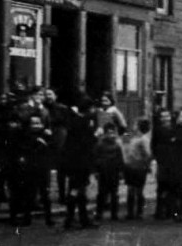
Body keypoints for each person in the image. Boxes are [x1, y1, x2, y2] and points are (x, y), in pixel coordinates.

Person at [61, 96, 98, 229]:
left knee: (78, 190)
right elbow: (86, 144)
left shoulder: (75, 121)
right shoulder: (84, 122)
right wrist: (95, 136)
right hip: (80, 163)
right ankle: (71, 219)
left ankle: (80, 218)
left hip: (73, 162)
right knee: (76, 190)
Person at [14, 112, 53, 226]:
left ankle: (48, 218)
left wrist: (47, 139)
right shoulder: (25, 136)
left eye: (38, 123)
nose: (36, 125)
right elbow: (23, 150)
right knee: (29, 194)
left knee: (45, 194)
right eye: (33, 123)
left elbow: (52, 149)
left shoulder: (46, 135)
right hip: (30, 168)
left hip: (43, 168)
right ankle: (27, 218)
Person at [43, 88, 70, 203]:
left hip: (59, 140)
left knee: (61, 169)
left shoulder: (62, 108)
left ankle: (62, 195)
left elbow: (67, 124)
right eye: (46, 94)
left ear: (55, 96)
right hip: (45, 140)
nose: (48, 96)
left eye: (50, 94)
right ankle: (44, 196)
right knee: (44, 169)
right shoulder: (42, 108)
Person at [123, 118, 152, 220]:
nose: (134, 126)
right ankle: (131, 212)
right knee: (131, 190)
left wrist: (144, 163)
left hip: (138, 167)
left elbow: (148, 154)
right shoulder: (134, 138)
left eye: (136, 124)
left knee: (138, 190)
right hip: (131, 167)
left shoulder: (143, 139)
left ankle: (138, 212)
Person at [94, 122, 124, 221]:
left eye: (113, 132)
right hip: (104, 172)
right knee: (103, 193)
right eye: (110, 133)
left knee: (113, 193)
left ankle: (112, 214)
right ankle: (100, 213)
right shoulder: (100, 145)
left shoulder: (116, 145)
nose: (112, 135)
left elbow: (120, 159)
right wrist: (96, 171)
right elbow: (95, 158)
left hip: (112, 172)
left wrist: (120, 171)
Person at [151, 108, 175, 220]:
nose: (165, 119)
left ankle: (170, 210)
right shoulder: (157, 130)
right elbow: (153, 145)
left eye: (167, 116)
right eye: (163, 117)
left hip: (173, 161)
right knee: (161, 186)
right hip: (162, 161)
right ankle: (159, 211)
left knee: (172, 186)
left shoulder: (174, 128)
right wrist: (156, 157)